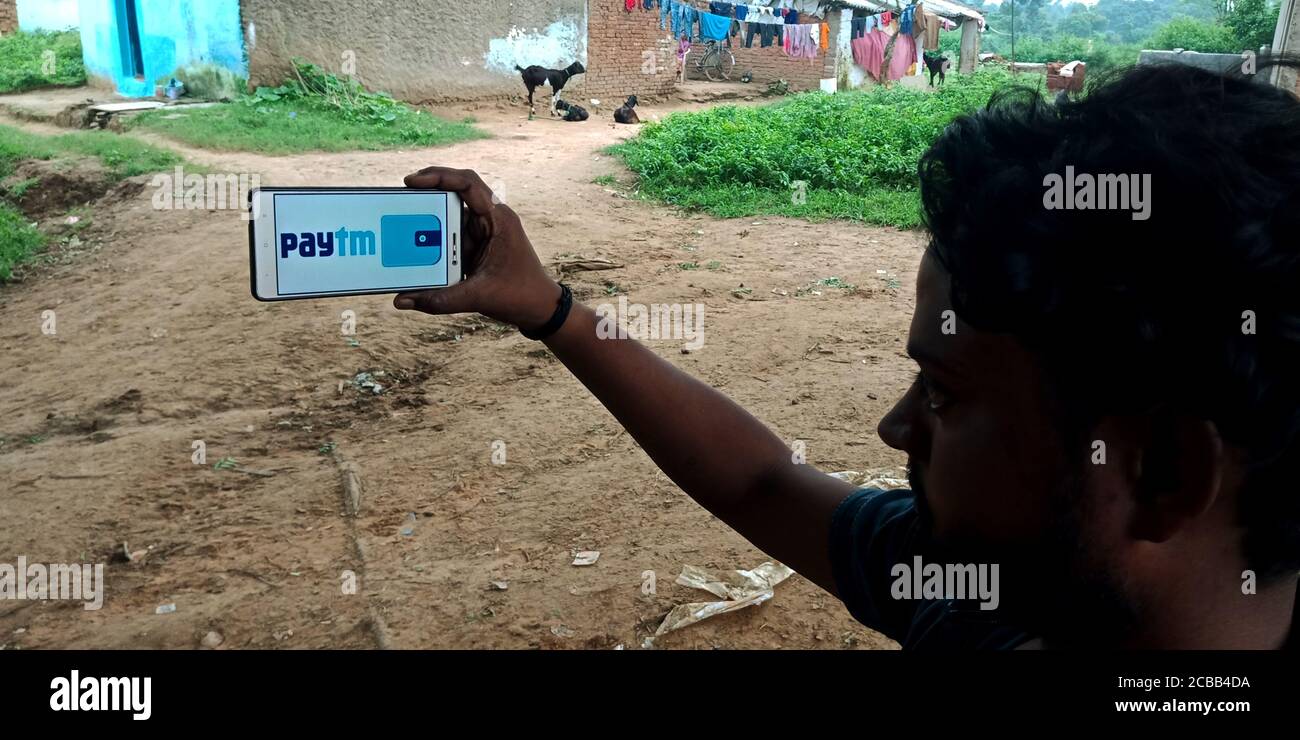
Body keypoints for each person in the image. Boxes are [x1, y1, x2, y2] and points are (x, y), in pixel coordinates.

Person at [393, 62, 1299, 649]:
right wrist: (552, 310)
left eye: (942, 395)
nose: (893, 424)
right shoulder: (994, 590)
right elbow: (765, 484)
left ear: (1167, 472)